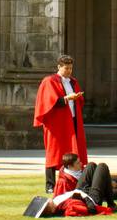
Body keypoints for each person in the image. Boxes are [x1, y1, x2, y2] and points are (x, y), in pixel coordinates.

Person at [33, 56, 87, 192]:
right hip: (56, 124)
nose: (69, 71)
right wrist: (67, 98)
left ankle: (74, 181)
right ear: (59, 67)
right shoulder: (49, 81)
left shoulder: (73, 82)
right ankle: (50, 185)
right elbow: (48, 102)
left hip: (72, 120)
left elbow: (79, 103)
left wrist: (77, 97)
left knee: (73, 151)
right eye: (66, 68)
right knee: (54, 152)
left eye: (70, 68)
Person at [32, 153, 117, 217]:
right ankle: (111, 204)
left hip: (80, 191)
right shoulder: (65, 208)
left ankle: (111, 203)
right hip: (91, 200)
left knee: (91, 166)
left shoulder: (56, 200)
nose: (47, 200)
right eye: (47, 204)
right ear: (52, 209)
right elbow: (88, 209)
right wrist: (84, 197)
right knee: (102, 167)